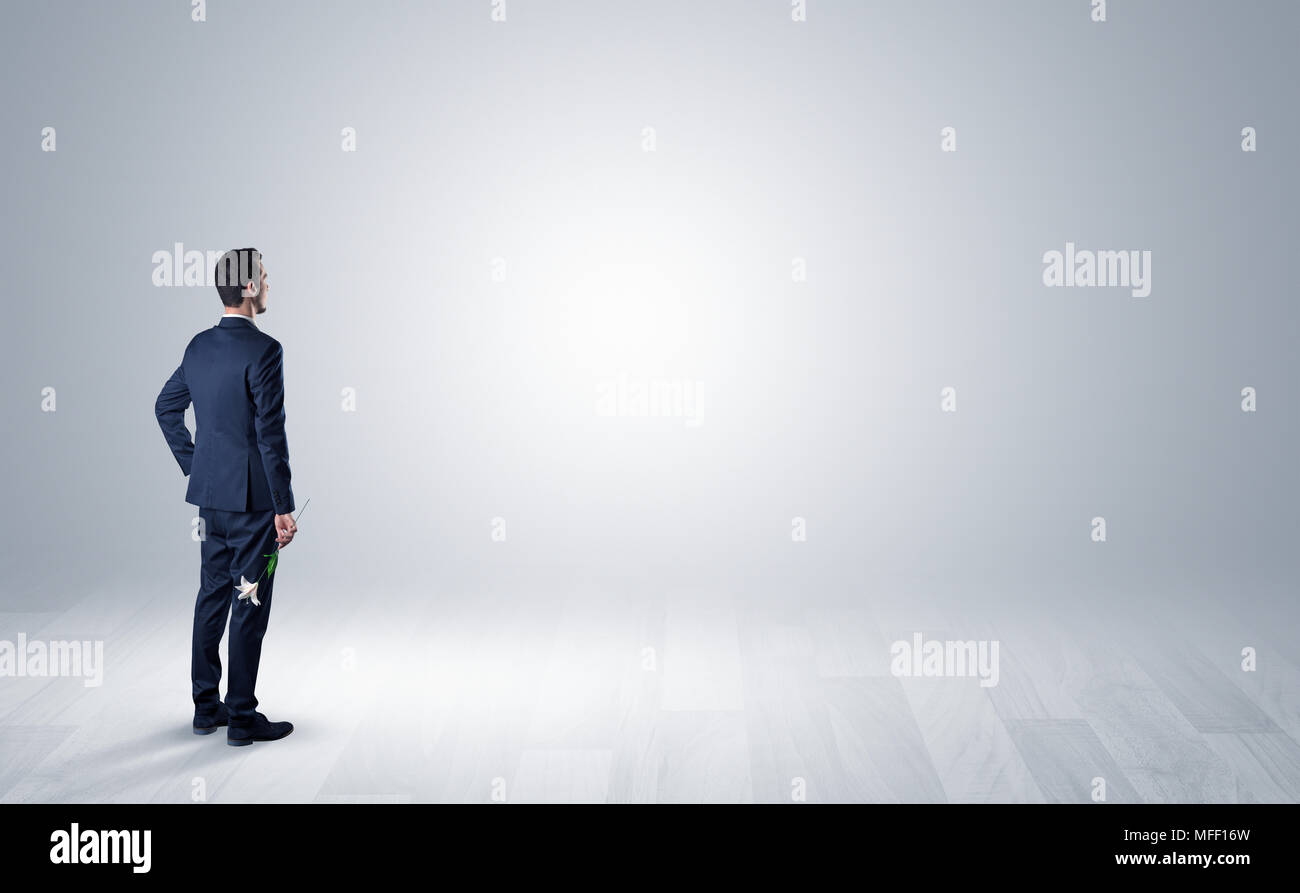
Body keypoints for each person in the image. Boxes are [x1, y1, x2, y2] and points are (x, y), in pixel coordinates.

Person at [155, 247, 298, 746]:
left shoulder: (197, 347)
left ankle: (204, 709)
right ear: (251, 288)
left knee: (212, 595)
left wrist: (197, 467)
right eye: (264, 272)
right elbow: (270, 435)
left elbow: (165, 408)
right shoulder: (265, 351)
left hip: (210, 500)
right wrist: (284, 506)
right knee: (249, 600)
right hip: (256, 503)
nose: (269, 278)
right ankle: (240, 718)